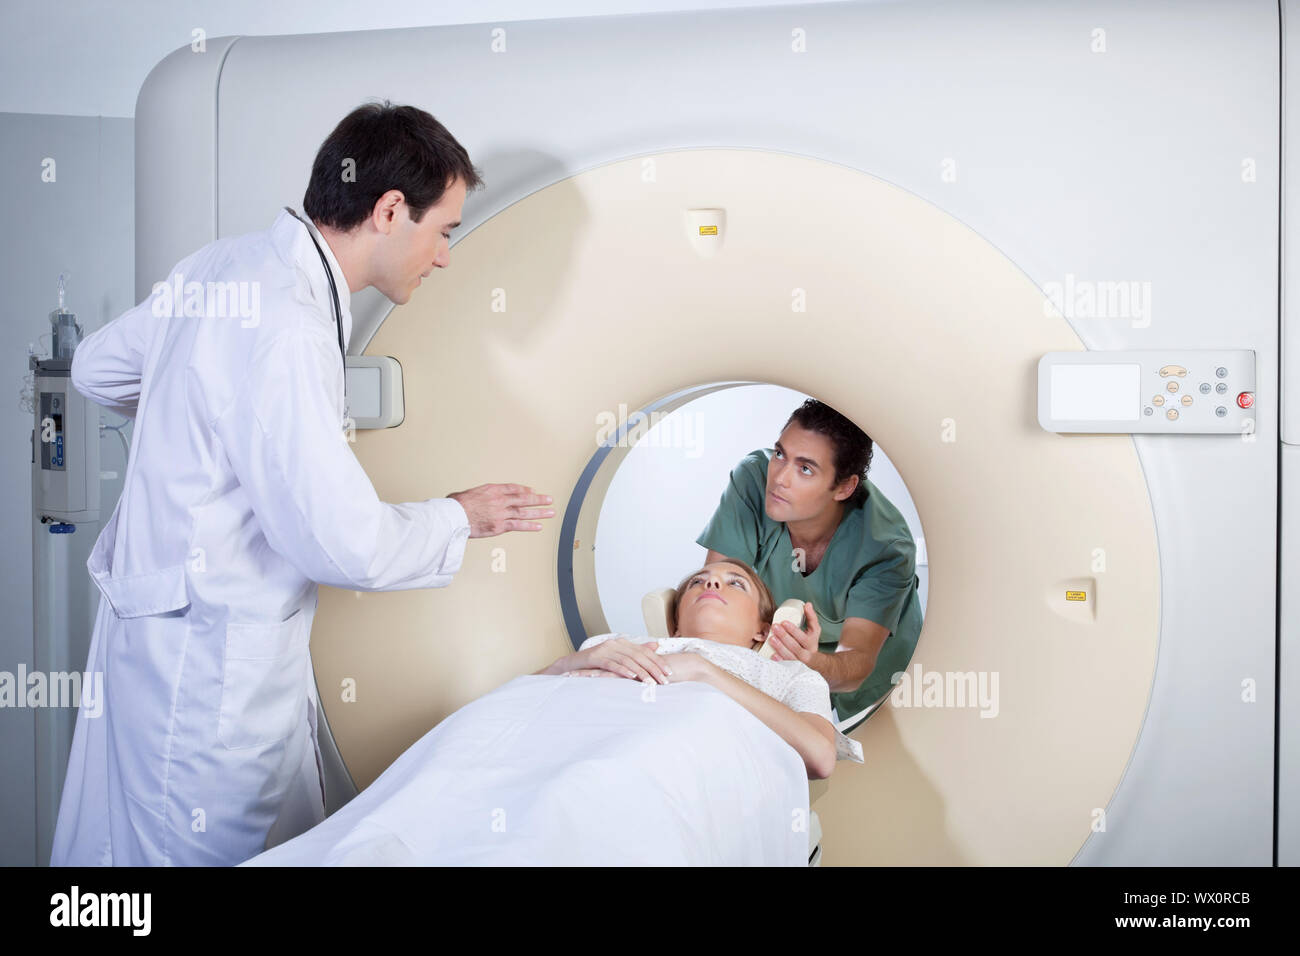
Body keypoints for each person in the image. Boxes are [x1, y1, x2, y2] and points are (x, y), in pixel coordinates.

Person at [51, 102, 555, 867]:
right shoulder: (287, 326)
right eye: (444, 228)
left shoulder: (221, 266)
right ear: (390, 210)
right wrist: (459, 517)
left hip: (165, 643)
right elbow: (342, 544)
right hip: (209, 670)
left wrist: (190, 409)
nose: (445, 254)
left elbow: (94, 367)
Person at [697, 399, 923, 725]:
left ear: (844, 487)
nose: (780, 479)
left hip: (874, 666)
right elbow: (720, 590)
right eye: (779, 455)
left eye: (805, 469)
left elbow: (856, 661)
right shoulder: (752, 481)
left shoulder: (885, 546)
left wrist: (809, 661)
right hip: (787, 642)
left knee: (863, 750)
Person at [538, 558, 844, 778]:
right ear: (675, 628)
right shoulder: (615, 643)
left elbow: (820, 758)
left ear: (762, 631)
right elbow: (521, 706)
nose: (711, 583)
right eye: (697, 581)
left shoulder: (790, 675)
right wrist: (566, 663)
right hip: (562, 749)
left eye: (736, 583)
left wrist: (702, 671)